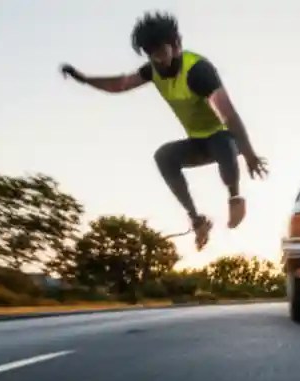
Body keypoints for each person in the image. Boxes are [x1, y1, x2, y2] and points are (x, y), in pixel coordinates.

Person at [60, 11, 268, 251]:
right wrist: (84, 79)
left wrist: (250, 156)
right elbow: (120, 84)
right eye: (152, 55)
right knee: (163, 156)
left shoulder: (198, 71)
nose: (159, 60)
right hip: (198, 143)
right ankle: (197, 220)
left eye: (161, 52)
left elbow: (228, 114)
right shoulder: (153, 71)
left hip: (224, 138)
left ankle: (235, 197)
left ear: (176, 44)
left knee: (223, 141)